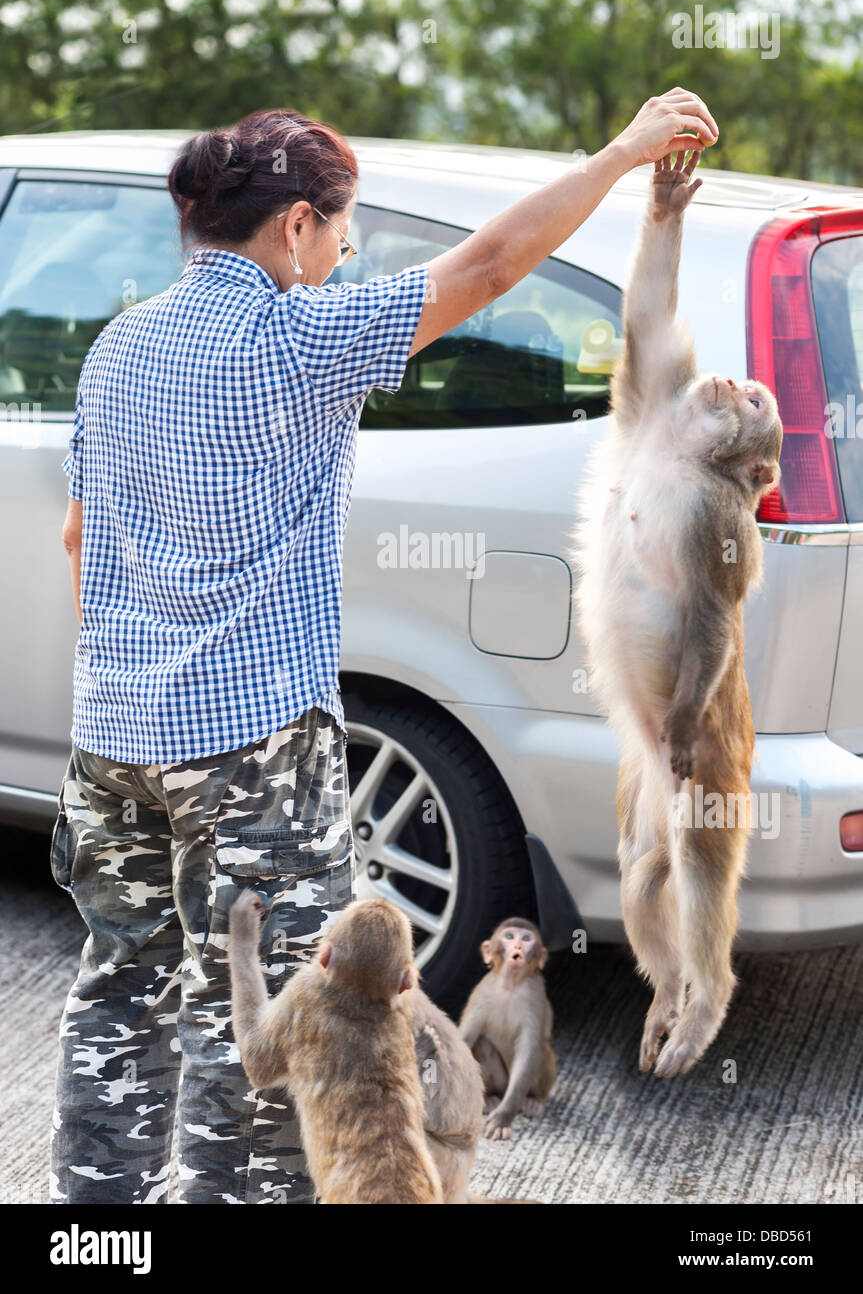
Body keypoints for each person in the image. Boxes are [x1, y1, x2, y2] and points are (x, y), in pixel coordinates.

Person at [50, 92, 718, 1205]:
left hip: (109, 738)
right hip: (245, 749)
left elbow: (80, 537)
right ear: (296, 226)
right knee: (257, 1018)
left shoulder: (116, 345)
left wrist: (136, 675)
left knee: (120, 986)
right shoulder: (298, 333)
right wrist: (619, 149)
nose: (347, 249)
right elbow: (493, 265)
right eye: (343, 227)